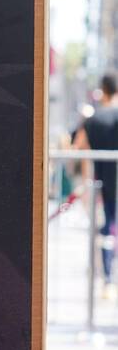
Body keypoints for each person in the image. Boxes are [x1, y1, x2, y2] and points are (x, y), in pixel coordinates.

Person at [73, 74, 118, 291]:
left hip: (103, 184)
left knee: (107, 228)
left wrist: (84, 181)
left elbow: (78, 147)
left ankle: (108, 278)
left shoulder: (93, 120)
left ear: (103, 90)